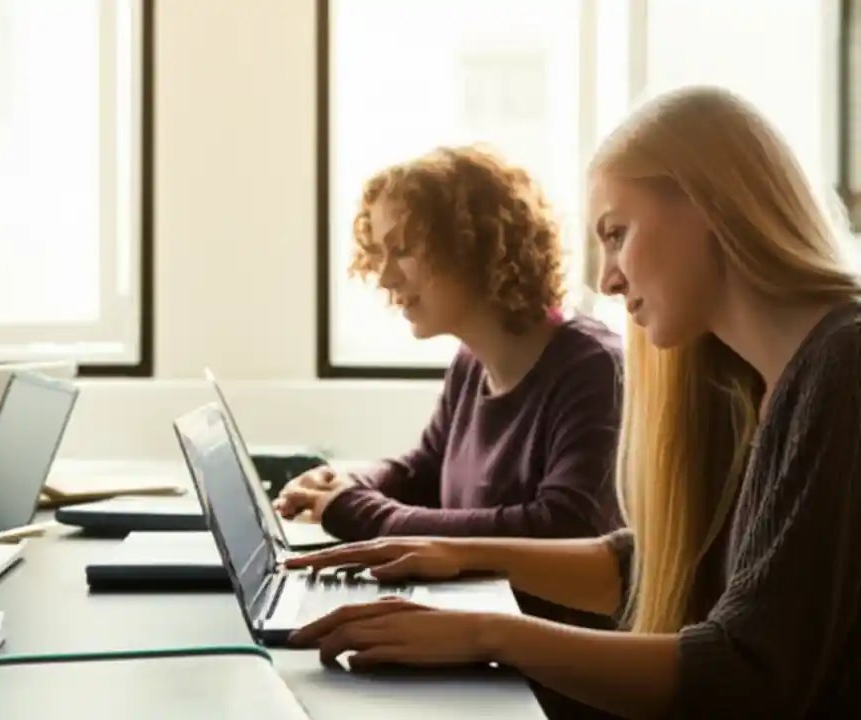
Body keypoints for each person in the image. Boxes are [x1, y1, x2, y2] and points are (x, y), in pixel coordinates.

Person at [285, 86, 861, 718]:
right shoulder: (754, 383)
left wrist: (486, 634)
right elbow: (661, 559)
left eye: (617, 234)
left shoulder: (842, 367)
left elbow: (743, 673)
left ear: (712, 206)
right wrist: (458, 554)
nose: (608, 279)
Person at [274, 146, 623, 546]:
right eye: (380, 254)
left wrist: (362, 512)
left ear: (474, 246)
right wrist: (346, 483)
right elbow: (423, 471)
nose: (385, 277)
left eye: (402, 250)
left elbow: (562, 527)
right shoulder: (471, 364)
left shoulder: (594, 371)